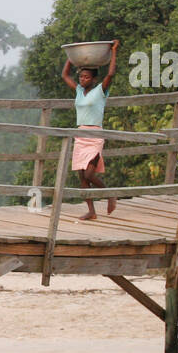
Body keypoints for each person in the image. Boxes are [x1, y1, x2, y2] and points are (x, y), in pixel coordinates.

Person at [61, 39, 120, 220]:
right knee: (82, 177)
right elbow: (64, 75)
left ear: (94, 79)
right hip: (81, 135)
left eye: (87, 77)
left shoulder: (100, 91)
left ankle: (110, 195)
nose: (83, 79)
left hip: (94, 136)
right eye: (81, 76)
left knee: (89, 173)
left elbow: (110, 73)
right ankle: (91, 211)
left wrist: (114, 51)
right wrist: (73, 57)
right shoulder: (79, 91)